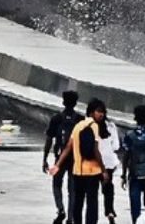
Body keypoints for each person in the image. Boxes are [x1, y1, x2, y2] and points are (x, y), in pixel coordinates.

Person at [49, 98, 109, 224]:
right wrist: (103, 170)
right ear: (91, 112)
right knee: (92, 203)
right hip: (92, 172)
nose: (101, 114)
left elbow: (67, 148)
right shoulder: (94, 126)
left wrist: (57, 165)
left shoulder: (78, 126)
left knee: (78, 202)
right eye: (99, 111)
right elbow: (95, 150)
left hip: (77, 172)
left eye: (102, 112)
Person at [44, 90, 84, 222]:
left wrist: (44, 159)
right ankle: (71, 216)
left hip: (60, 157)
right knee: (72, 188)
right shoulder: (80, 120)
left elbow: (49, 139)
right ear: (75, 103)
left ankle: (60, 208)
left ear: (63, 102)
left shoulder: (56, 119)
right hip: (75, 158)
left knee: (56, 184)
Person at [100, 112, 122, 224]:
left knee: (92, 189)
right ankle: (109, 210)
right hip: (109, 162)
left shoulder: (89, 125)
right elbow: (116, 146)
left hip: (94, 162)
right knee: (108, 187)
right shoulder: (111, 126)